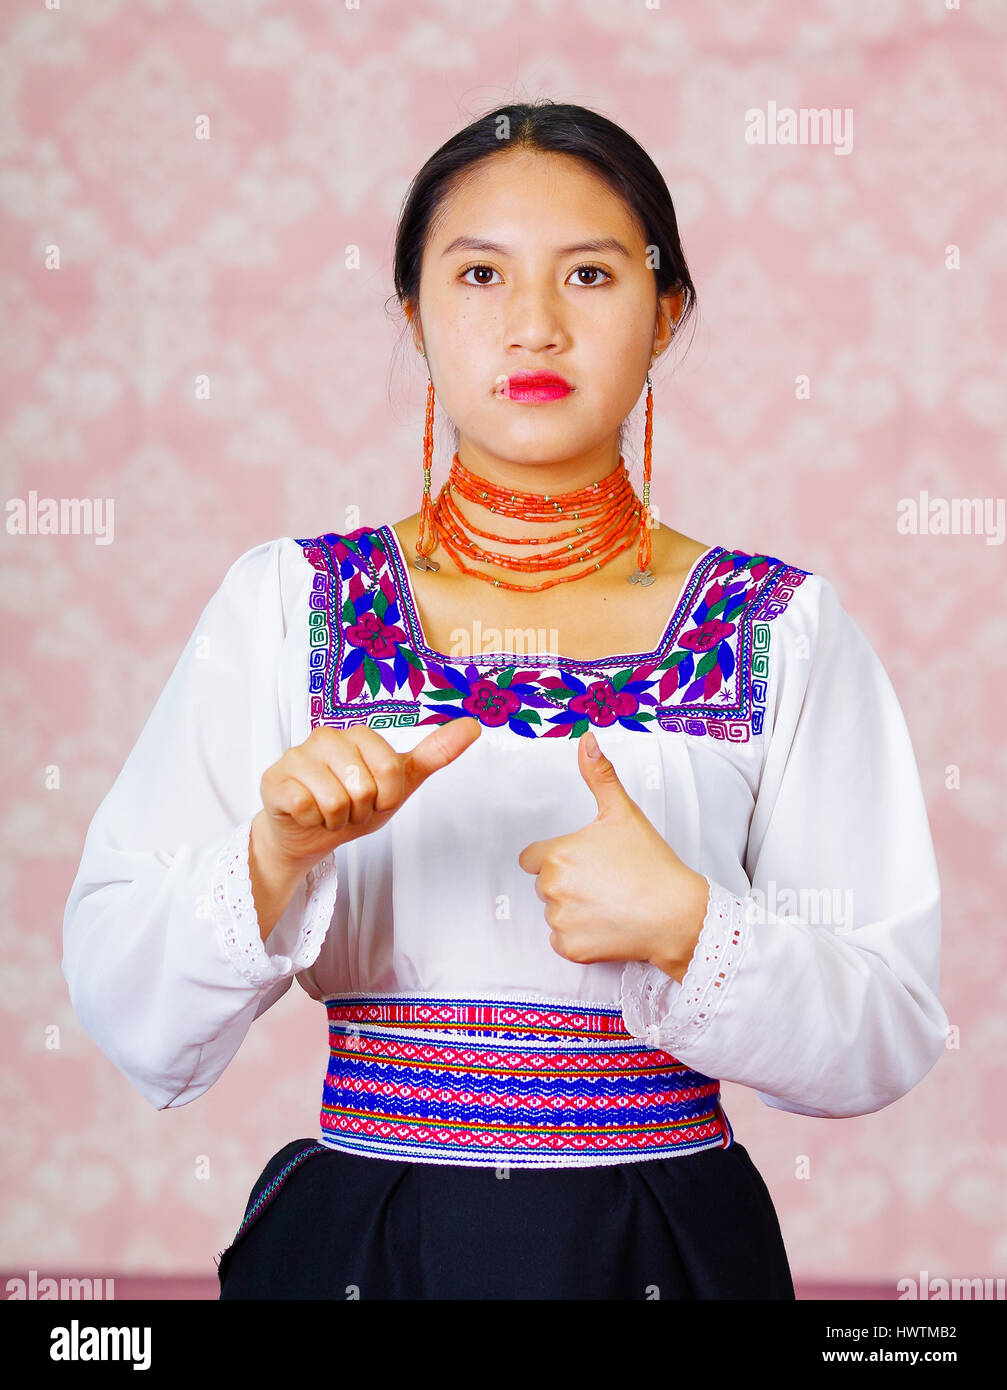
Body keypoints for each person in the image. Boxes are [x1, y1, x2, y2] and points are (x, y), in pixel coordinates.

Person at [62, 100, 949, 1301]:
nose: (532, 324)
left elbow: (886, 1034)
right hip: (363, 1240)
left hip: (668, 1242)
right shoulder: (289, 604)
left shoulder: (778, 627)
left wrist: (693, 927)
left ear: (665, 311)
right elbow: (130, 1016)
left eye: (589, 272)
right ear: (415, 315)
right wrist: (269, 857)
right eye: (478, 274)